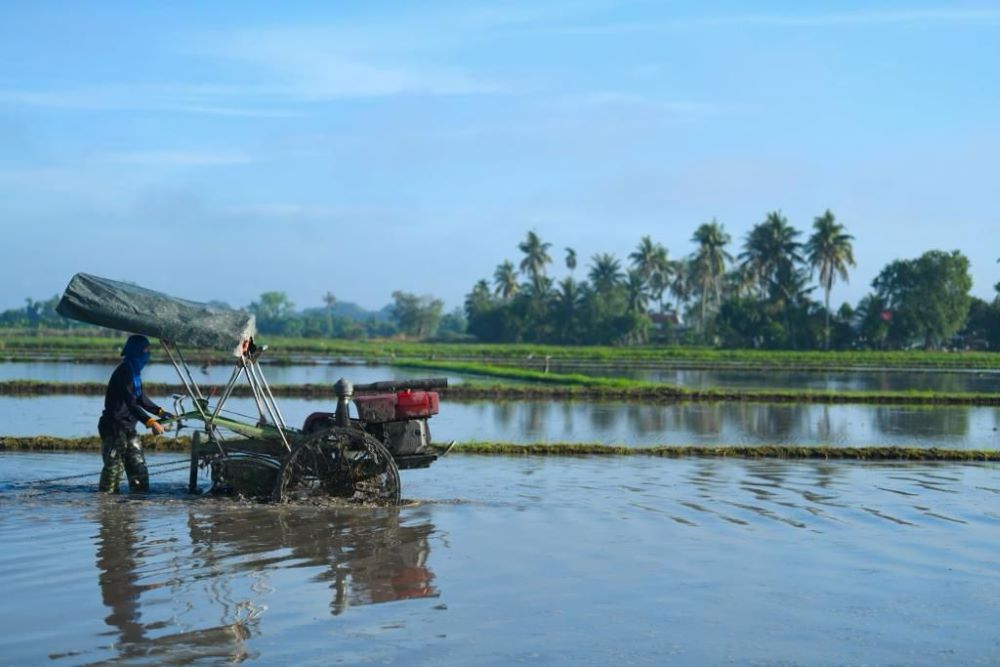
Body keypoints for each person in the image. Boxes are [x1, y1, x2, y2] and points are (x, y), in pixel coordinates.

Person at [98, 334, 172, 493]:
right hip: (114, 427)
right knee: (113, 472)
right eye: (146, 350)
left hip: (128, 427)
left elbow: (141, 398)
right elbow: (131, 403)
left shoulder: (134, 372)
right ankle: (106, 509)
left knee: (139, 470)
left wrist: (161, 412)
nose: (148, 354)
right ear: (136, 351)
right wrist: (151, 422)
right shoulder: (124, 372)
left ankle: (137, 504)